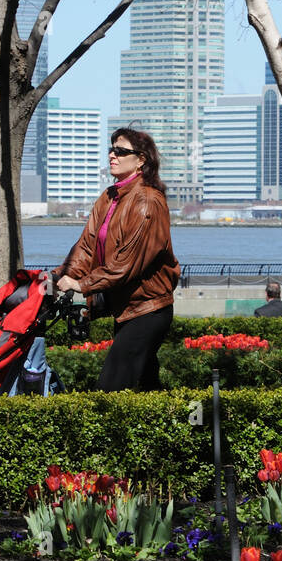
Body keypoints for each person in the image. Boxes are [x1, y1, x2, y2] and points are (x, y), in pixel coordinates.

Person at [53, 128, 179, 391]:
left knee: (111, 386)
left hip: (149, 308)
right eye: (111, 149)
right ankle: (182, 427)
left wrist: (82, 285)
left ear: (141, 159)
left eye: (120, 151)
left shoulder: (147, 202)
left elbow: (127, 263)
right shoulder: (109, 197)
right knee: (146, 386)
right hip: (126, 309)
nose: (112, 155)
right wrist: (58, 277)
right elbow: (86, 247)